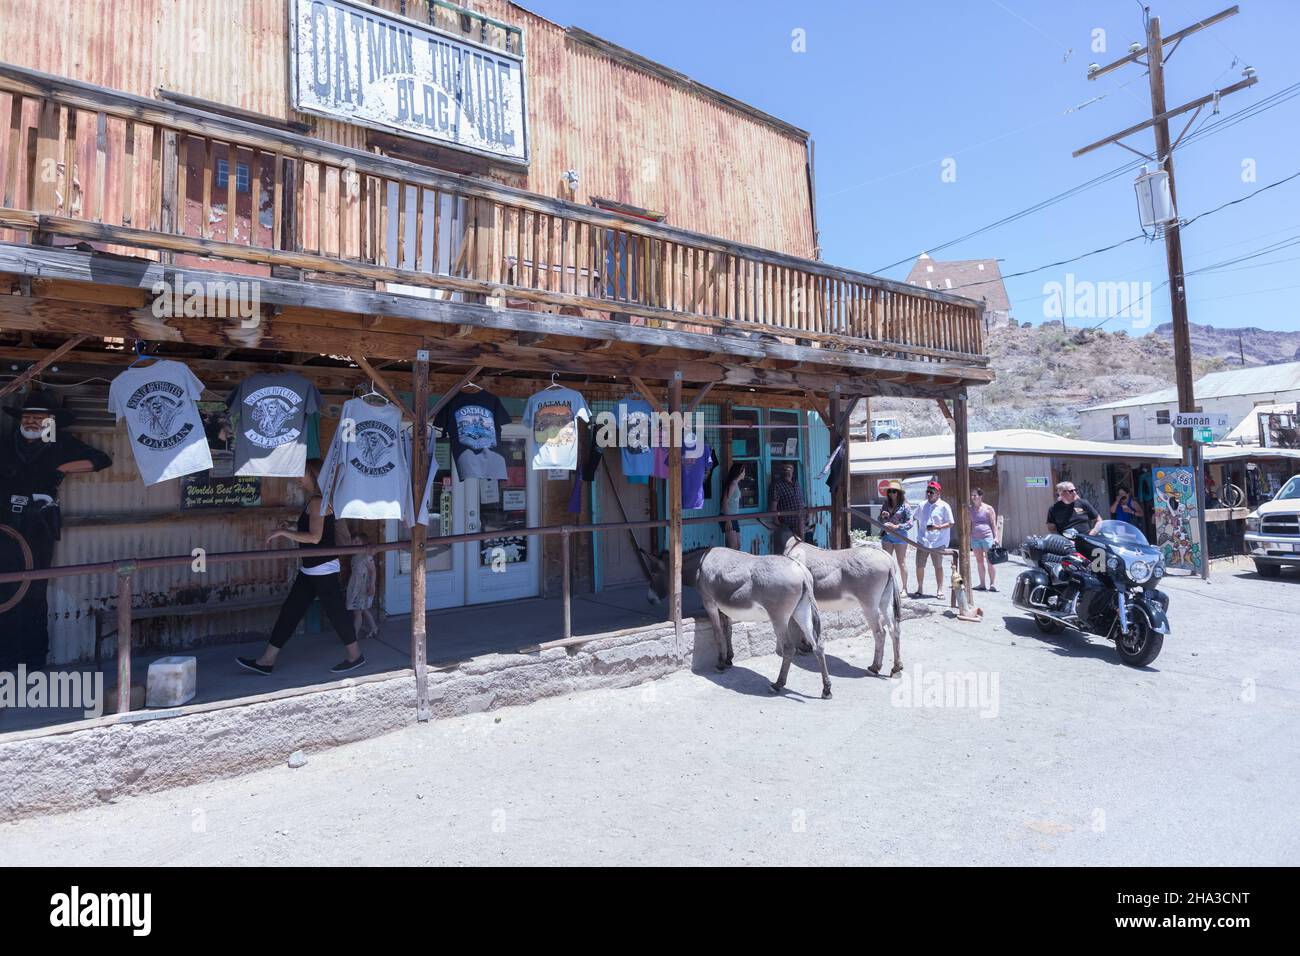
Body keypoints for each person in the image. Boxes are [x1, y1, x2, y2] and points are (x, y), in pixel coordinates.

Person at [0, 391, 112, 671]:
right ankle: (6, 658)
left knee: (35, 589)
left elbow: (100, 460)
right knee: (5, 588)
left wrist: (61, 467)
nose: (32, 422)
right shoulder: (6, 443)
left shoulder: (60, 443)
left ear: (51, 421)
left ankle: (33, 659)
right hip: (5, 524)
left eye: (39, 418)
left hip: (39, 524)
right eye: (27, 417)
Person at [237, 459, 364, 675]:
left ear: (313, 475)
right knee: (291, 611)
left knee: (335, 613)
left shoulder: (317, 501)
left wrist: (284, 532)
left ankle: (355, 656)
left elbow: (315, 537)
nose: (297, 477)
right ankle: (267, 660)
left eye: (301, 473)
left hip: (322, 568)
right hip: (311, 568)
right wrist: (292, 526)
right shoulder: (315, 500)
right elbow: (314, 529)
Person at [912, 479, 953, 598]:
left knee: (938, 566)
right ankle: (920, 588)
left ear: (938, 493)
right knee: (919, 565)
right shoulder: (922, 505)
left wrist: (937, 527)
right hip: (923, 540)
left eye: (932, 492)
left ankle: (939, 590)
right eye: (928, 492)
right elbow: (914, 517)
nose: (929, 494)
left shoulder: (944, 506)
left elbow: (951, 523)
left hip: (938, 541)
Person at [878, 479, 914, 594]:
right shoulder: (885, 504)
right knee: (886, 563)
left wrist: (897, 526)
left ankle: (904, 589)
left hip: (900, 536)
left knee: (901, 563)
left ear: (899, 493)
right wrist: (882, 517)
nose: (891, 493)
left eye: (894, 491)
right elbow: (879, 520)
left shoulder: (905, 506)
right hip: (886, 536)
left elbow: (910, 523)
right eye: (889, 491)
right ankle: (888, 588)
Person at [346, 530, 378, 640]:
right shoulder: (354, 557)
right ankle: (374, 627)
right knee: (362, 609)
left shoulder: (366, 557)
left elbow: (372, 571)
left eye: (357, 541)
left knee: (358, 611)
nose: (354, 543)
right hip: (354, 586)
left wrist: (372, 585)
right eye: (353, 541)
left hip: (362, 587)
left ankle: (353, 636)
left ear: (363, 543)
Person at [969, 488, 1000, 592]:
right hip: (975, 538)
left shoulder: (988, 508)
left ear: (980, 496)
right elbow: (969, 523)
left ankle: (992, 584)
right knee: (979, 561)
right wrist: (969, 536)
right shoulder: (970, 509)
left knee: (990, 561)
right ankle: (982, 584)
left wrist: (996, 537)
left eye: (975, 495)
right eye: (972, 495)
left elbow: (993, 524)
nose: (973, 497)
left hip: (987, 537)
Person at [770, 462, 804, 540]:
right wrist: (777, 523)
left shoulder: (796, 483)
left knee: (801, 545)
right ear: (782, 471)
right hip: (787, 525)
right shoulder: (777, 485)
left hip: (800, 523)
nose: (787, 471)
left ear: (793, 470)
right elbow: (773, 506)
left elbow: (800, 500)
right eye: (785, 469)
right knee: (789, 546)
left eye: (789, 469)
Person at [719, 462, 746, 550]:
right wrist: (727, 520)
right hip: (728, 517)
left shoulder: (736, 484)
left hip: (733, 517)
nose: (744, 473)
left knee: (738, 545)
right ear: (739, 472)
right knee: (732, 547)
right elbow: (724, 501)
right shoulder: (733, 484)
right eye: (743, 471)